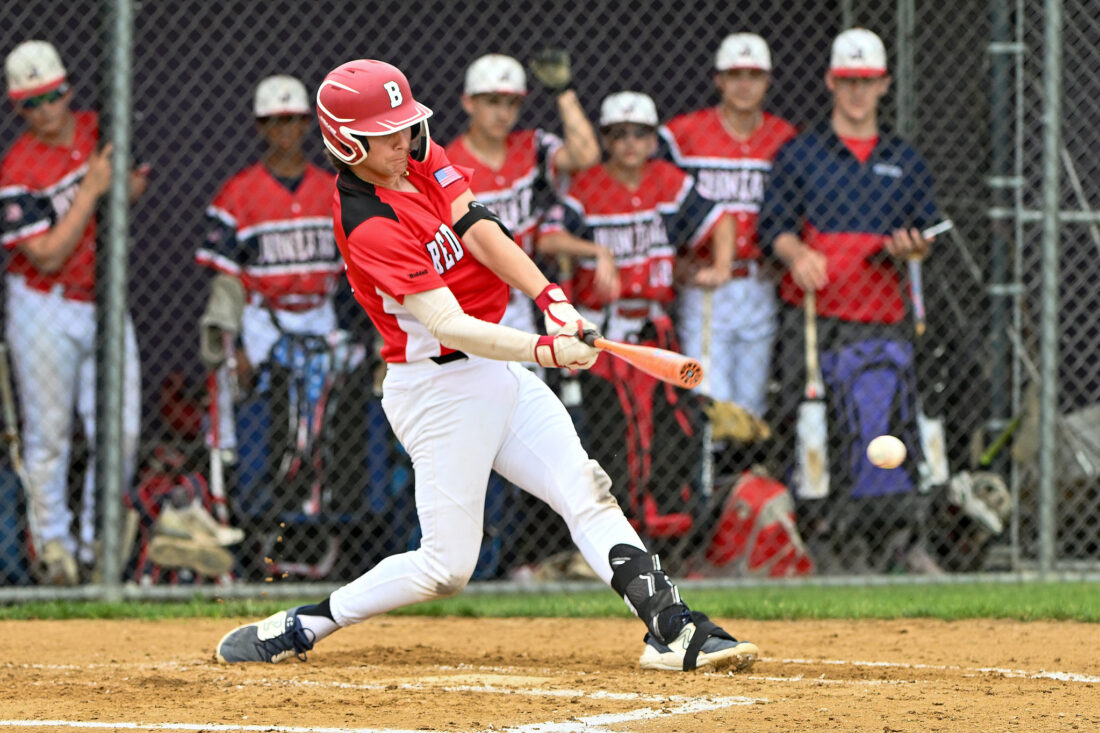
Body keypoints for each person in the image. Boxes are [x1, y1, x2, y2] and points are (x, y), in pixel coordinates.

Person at [214, 59, 759, 672]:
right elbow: (450, 325)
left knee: (585, 488)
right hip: (438, 391)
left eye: (405, 127)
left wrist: (550, 297)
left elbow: (477, 226)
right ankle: (299, 624)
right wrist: (546, 349)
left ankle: (675, 629)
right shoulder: (368, 225)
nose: (403, 140)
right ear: (345, 141)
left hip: (496, 372)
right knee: (447, 568)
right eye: (385, 134)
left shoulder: (414, 154)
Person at [758, 28, 942, 573]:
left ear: (884, 84)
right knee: (819, 428)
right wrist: (797, 254)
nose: (857, 92)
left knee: (886, 430)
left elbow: (927, 235)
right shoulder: (802, 154)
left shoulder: (903, 159)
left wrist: (915, 247)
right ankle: (825, 546)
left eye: (866, 82)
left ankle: (899, 544)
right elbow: (774, 229)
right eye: (846, 81)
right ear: (830, 83)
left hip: (886, 321)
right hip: (819, 321)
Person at [538, 91, 734, 539]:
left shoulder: (667, 179)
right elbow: (547, 240)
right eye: (619, 134)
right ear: (605, 139)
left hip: (655, 325)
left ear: (653, 139)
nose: (630, 143)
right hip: (604, 331)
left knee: (672, 421)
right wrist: (596, 252)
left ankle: (668, 524)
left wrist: (720, 266)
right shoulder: (586, 185)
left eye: (640, 133)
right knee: (614, 427)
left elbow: (721, 219)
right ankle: (619, 525)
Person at [194, 75, 355, 576]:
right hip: (264, 318)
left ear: (308, 124)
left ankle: (322, 513)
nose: (284, 129)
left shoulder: (334, 188)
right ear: (261, 127)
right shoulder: (238, 193)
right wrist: (239, 344)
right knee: (257, 409)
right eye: (274, 120)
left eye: (292, 119)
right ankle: (245, 506)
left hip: (320, 311)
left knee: (332, 410)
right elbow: (225, 283)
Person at [0, 40, 147, 584]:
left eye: (55, 94)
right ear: (18, 107)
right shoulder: (17, 168)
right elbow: (48, 253)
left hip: (101, 300)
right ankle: (55, 553)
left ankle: (95, 545)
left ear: (70, 88)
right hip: (43, 304)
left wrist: (121, 187)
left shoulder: (97, 126)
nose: (49, 109)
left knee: (123, 428)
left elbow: (133, 186)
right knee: (49, 437)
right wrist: (90, 190)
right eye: (34, 102)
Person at [658, 33, 797, 424]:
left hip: (759, 281)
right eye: (734, 74)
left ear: (768, 80)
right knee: (707, 399)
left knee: (751, 406)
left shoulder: (785, 138)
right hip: (704, 287)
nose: (744, 84)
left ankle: (742, 482)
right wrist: (673, 262)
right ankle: (706, 482)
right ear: (718, 79)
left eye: (753, 75)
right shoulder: (683, 134)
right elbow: (651, 197)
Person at [443, 52, 599, 337]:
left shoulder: (531, 145)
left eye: (512, 103)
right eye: (492, 102)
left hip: (527, 293)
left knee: (528, 377)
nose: (503, 113)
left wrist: (563, 94)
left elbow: (585, 154)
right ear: (468, 102)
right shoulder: (447, 165)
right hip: (473, 297)